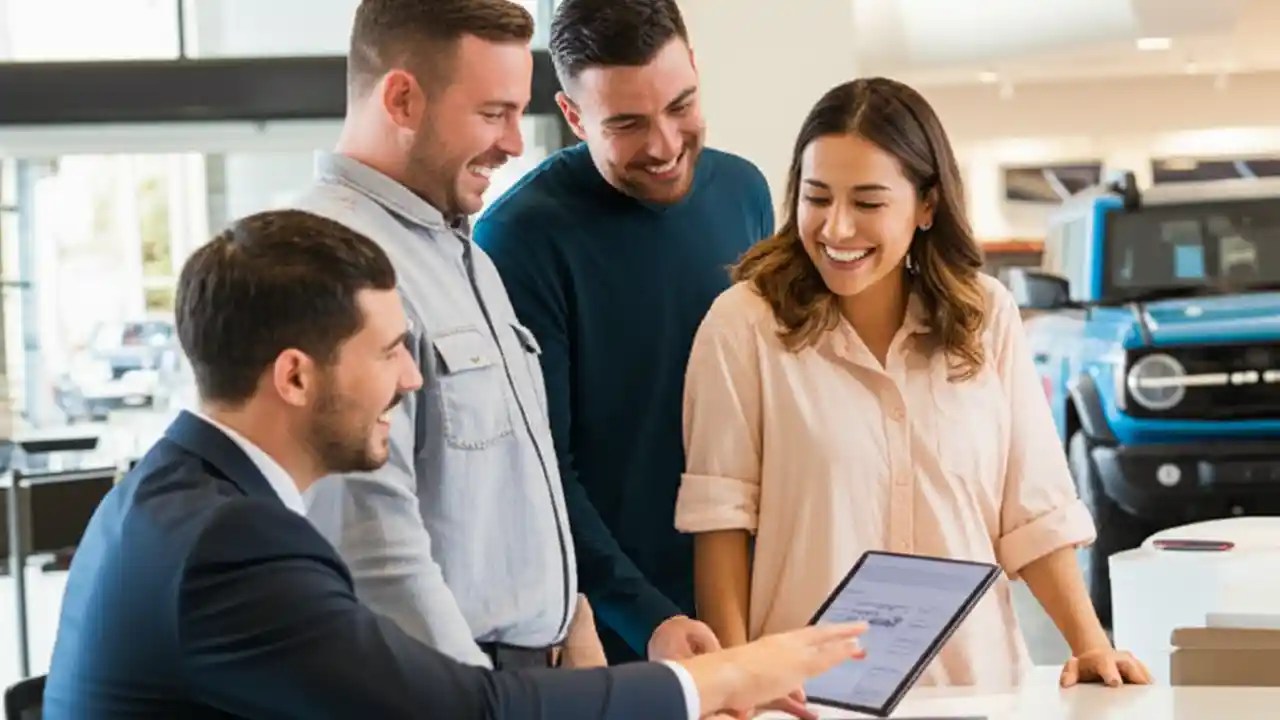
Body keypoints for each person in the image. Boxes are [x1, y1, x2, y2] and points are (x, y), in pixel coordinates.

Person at [42, 209, 869, 719]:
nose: (412, 379)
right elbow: (465, 710)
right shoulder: (232, 545)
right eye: (390, 352)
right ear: (294, 377)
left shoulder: (167, 498)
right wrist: (728, 675)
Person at [674, 78, 1155, 691]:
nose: (836, 228)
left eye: (868, 203)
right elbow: (721, 523)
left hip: (973, 686)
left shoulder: (986, 316)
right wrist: (734, 684)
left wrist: (1091, 646)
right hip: (807, 697)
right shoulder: (743, 326)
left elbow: (1032, 510)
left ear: (927, 205)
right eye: (817, 197)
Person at [284, 0, 699, 671]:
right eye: (493, 113)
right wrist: (490, 701)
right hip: (457, 689)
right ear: (402, 99)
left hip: (534, 675)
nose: (513, 143)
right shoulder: (328, 264)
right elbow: (372, 555)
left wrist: (571, 619)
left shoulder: (463, 252)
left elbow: (510, 488)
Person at [474, 0, 775, 666]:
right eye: (628, 124)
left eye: (680, 106)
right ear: (574, 115)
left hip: (753, 604)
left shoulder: (746, 192)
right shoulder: (518, 240)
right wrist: (648, 618)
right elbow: (542, 468)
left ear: (694, 66)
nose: (664, 145)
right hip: (620, 637)